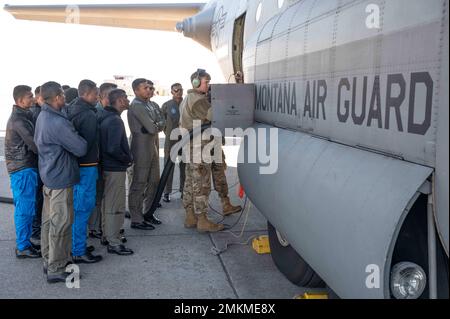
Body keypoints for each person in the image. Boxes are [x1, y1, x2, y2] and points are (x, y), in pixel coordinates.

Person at [34, 81, 87, 283]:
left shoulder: (43, 116)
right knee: (61, 224)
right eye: (63, 96)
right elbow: (80, 148)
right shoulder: (57, 122)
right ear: (57, 97)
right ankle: (56, 268)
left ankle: (49, 260)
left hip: (49, 176)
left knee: (49, 222)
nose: (65, 98)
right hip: (60, 179)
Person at [180, 69, 224, 232]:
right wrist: (215, 100)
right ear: (196, 83)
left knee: (190, 182)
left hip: (191, 147)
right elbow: (212, 116)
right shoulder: (199, 100)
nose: (209, 84)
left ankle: (190, 216)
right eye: (207, 82)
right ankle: (202, 220)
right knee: (202, 184)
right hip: (200, 147)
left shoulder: (187, 98)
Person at [65, 80, 102, 264]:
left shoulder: (73, 108)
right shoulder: (87, 115)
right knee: (82, 208)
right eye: (96, 94)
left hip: (79, 166)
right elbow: (85, 144)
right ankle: (78, 250)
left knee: (79, 208)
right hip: (86, 166)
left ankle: (77, 244)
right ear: (86, 94)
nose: (97, 97)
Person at [5, 85, 41, 258]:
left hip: (26, 168)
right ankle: (22, 247)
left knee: (28, 208)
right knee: (25, 210)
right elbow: (34, 144)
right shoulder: (18, 120)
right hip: (22, 169)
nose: (32, 99)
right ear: (20, 100)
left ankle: (26, 242)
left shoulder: (24, 116)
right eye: (29, 96)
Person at [98, 89, 134, 255]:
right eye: (125, 97)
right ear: (119, 101)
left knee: (107, 204)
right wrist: (126, 159)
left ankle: (107, 235)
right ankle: (114, 242)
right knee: (115, 206)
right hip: (114, 168)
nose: (127, 100)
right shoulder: (114, 120)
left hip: (107, 167)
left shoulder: (106, 116)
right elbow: (113, 148)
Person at [127, 78, 165, 230]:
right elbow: (152, 128)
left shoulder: (152, 104)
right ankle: (136, 218)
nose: (149, 90)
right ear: (136, 90)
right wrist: (155, 125)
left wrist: (156, 125)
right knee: (139, 182)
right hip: (140, 148)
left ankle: (148, 212)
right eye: (145, 88)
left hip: (152, 146)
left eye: (151, 87)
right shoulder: (136, 106)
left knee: (154, 181)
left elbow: (163, 122)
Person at [88, 82, 118, 240]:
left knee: (104, 196)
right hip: (98, 161)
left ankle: (102, 226)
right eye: (109, 96)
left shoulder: (108, 112)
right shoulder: (97, 113)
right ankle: (94, 227)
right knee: (97, 195)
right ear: (101, 96)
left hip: (105, 161)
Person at [161, 83, 185, 203]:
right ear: (172, 92)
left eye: (180, 90)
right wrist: (167, 131)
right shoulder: (166, 105)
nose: (179, 92)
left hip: (185, 138)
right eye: (176, 90)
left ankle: (184, 190)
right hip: (171, 140)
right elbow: (161, 120)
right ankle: (166, 192)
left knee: (184, 165)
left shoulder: (186, 103)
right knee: (168, 165)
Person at [29, 86, 44, 245]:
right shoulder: (37, 113)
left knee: (38, 198)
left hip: (38, 163)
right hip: (37, 163)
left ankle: (36, 229)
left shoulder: (35, 112)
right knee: (37, 199)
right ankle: (36, 231)